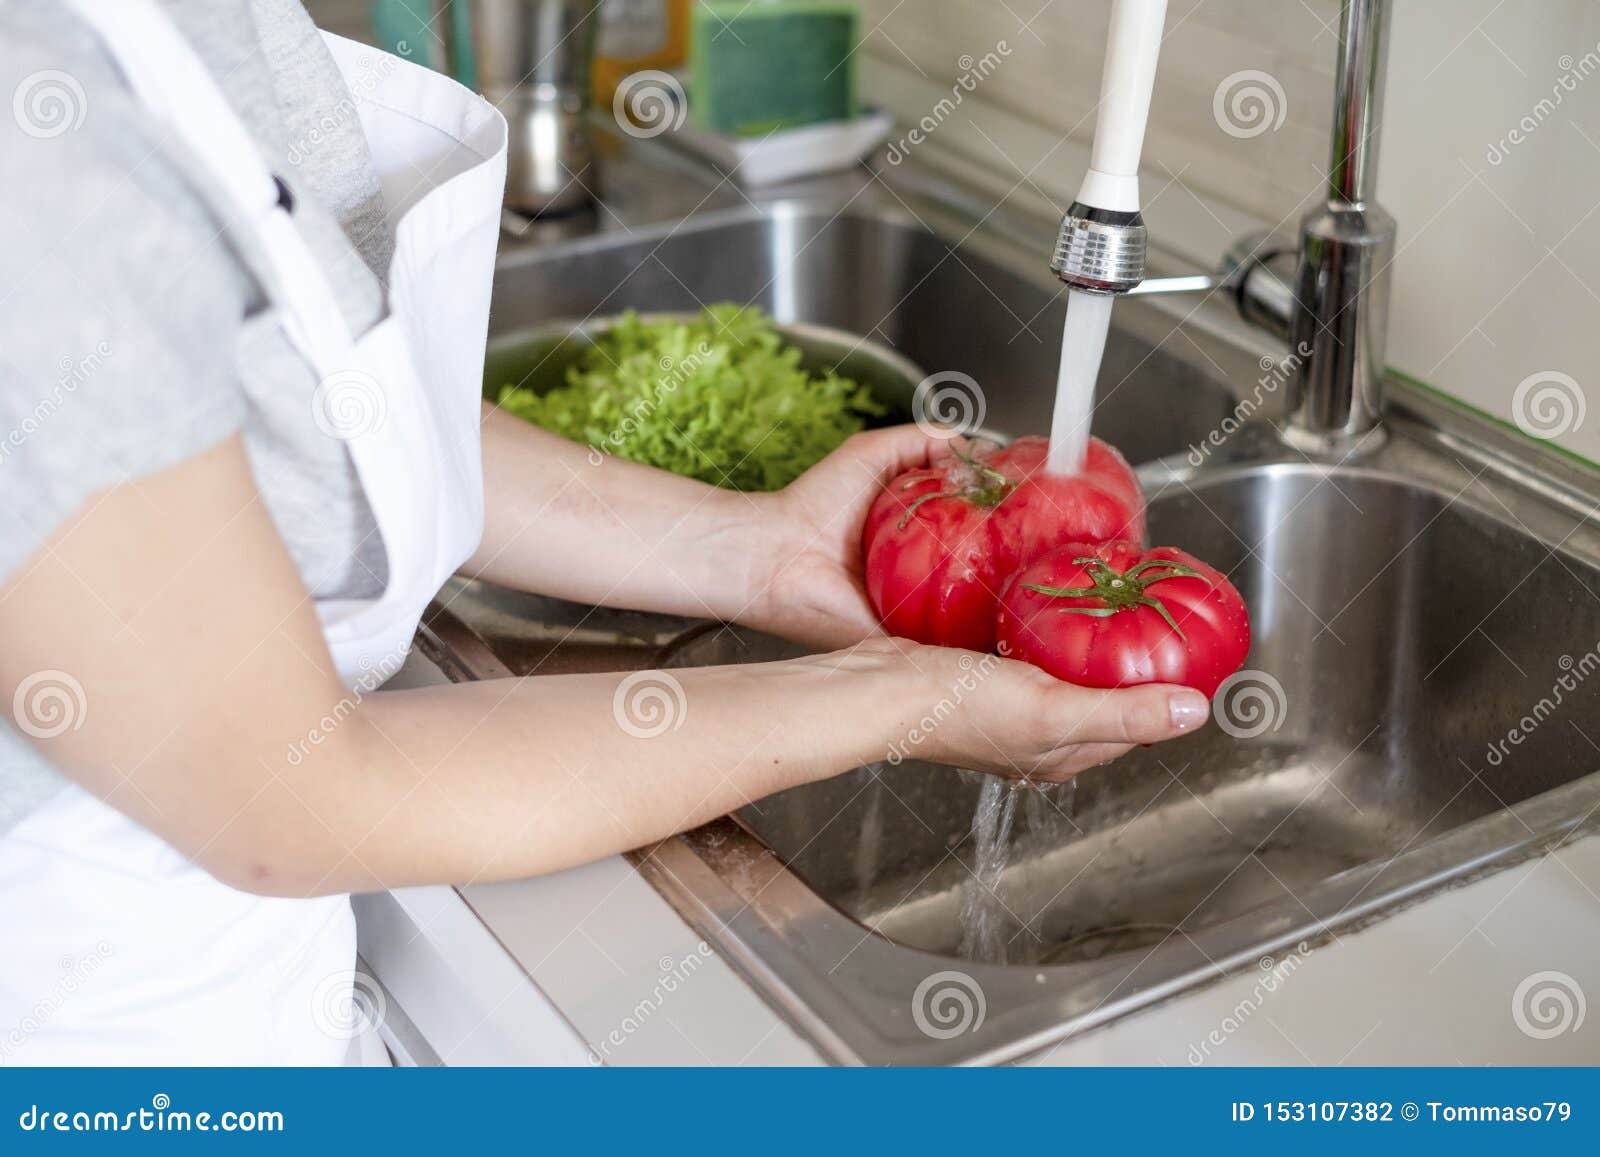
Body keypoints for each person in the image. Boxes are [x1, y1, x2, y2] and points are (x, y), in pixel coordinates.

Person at [0, 0, 1209, 1064]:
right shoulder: (33, 132)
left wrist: (756, 549)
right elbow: (286, 797)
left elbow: (314, 412)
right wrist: (891, 697)